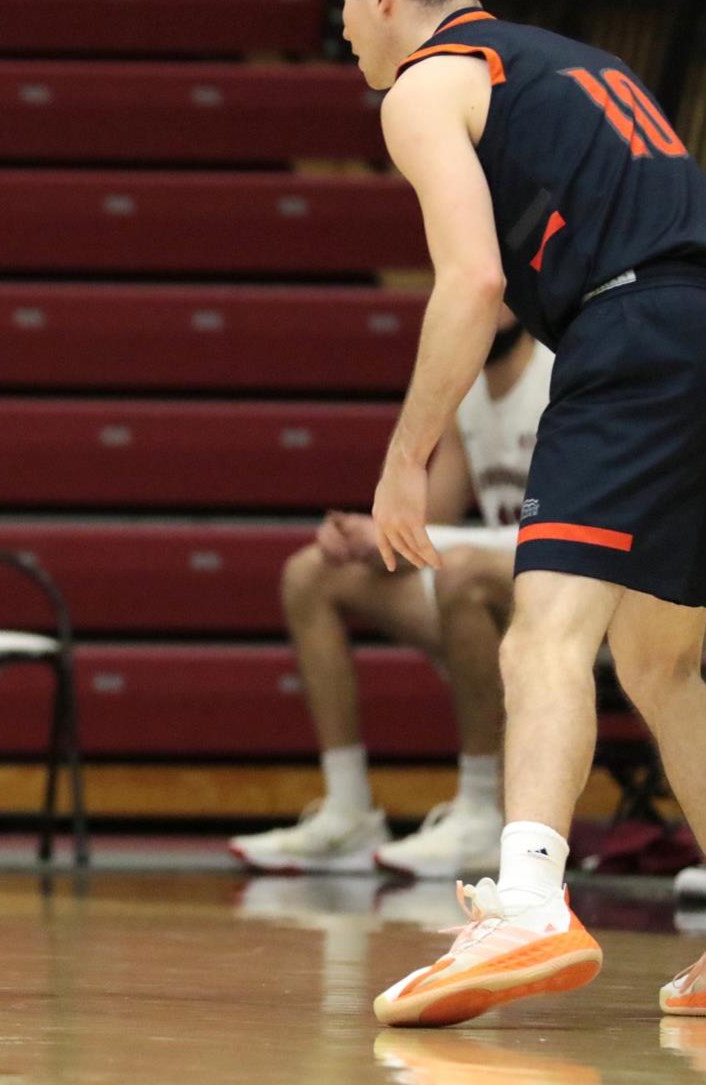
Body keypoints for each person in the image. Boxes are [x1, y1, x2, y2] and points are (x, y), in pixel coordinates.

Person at [342, 1, 706, 1026]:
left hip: (629, 332)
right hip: (690, 322)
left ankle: (529, 900)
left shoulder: (426, 82)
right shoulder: (567, 61)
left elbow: (472, 280)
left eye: (343, 12)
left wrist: (404, 457)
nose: (343, 36)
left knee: (542, 632)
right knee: (659, 659)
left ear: (378, 3)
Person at [230, 316, 551, 879]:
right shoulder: (467, 390)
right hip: (498, 588)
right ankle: (348, 808)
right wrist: (373, 540)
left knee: (462, 576)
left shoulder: (561, 374)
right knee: (312, 572)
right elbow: (436, 529)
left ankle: (482, 810)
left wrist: (410, 538)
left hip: (573, 597)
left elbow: (560, 539)